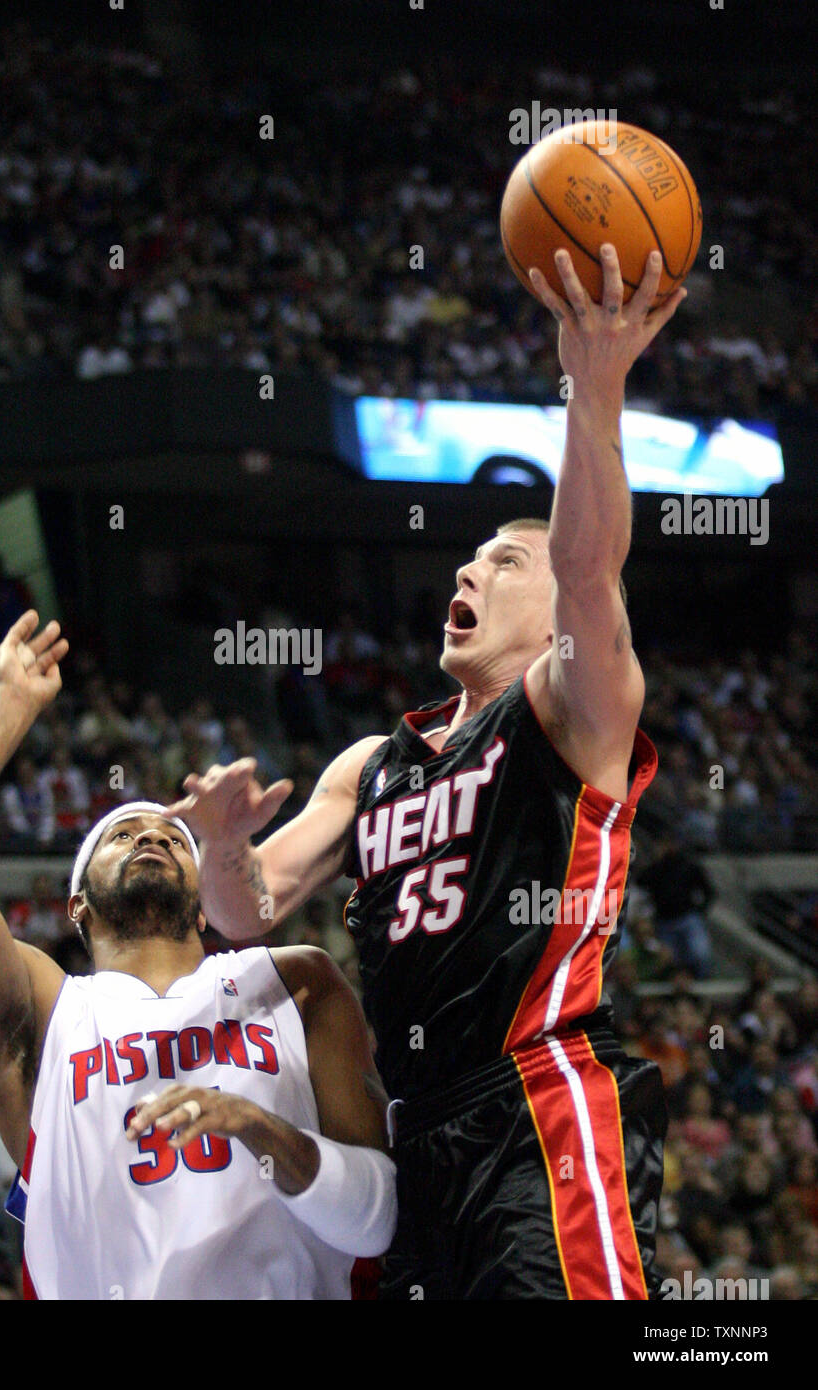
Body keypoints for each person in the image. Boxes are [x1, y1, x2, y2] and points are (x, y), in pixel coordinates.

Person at [169, 246, 685, 1300]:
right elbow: (242, 909)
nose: (466, 571)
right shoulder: (370, 766)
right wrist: (222, 844)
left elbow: (588, 563)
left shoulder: (566, 709)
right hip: (413, 1134)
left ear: (552, 612)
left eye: (502, 562)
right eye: (463, 562)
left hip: (537, 1101)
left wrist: (593, 383)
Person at [0, 612, 395, 1300]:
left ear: (208, 900)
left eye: (175, 836)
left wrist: (257, 1127)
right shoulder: (44, 1006)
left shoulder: (294, 981)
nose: (153, 836)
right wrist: (10, 707)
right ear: (77, 904)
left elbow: (378, 1221)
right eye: (123, 834)